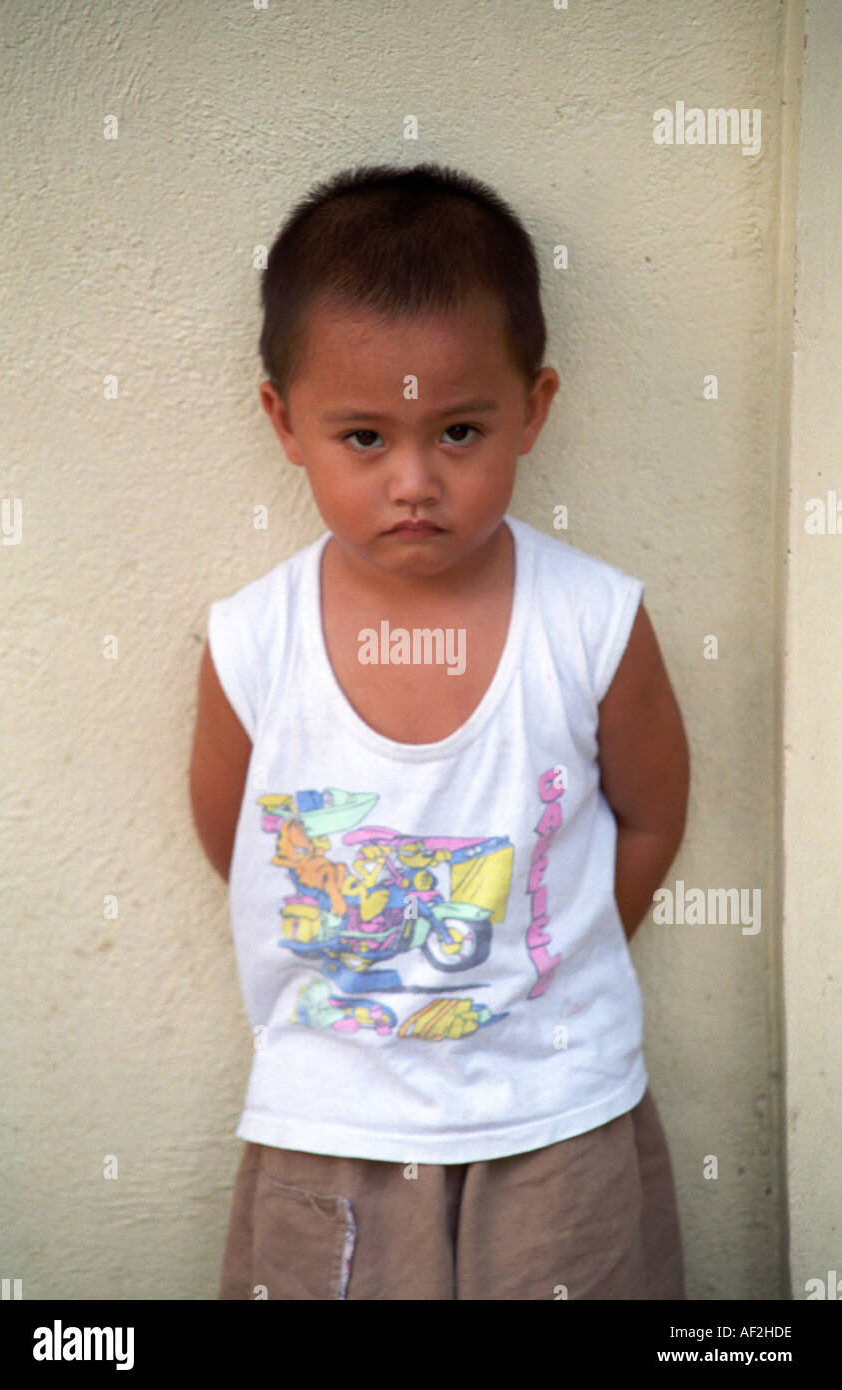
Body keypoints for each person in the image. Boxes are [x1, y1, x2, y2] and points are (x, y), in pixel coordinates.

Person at [189, 162, 690, 1300]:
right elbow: (241, 848)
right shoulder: (254, 640)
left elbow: (653, 818)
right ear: (283, 422)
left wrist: (537, 956)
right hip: (333, 1127)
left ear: (534, 409)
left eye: (458, 429)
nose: (414, 482)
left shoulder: (591, 621)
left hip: (555, 1118)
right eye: (363, 437)